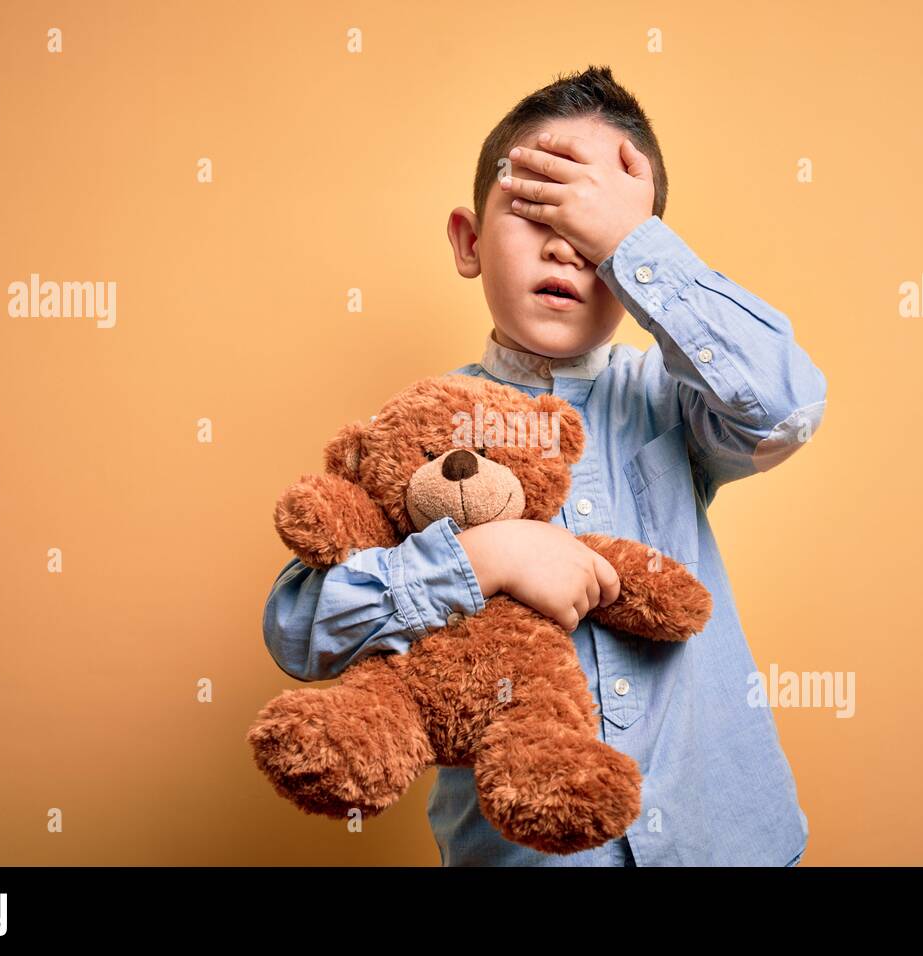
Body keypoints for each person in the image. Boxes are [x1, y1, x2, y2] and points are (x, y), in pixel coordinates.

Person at [262, 65, 825, 866]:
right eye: (535, 210)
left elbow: (787, 405)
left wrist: (640, 248)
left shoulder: (670, 401)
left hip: (729, 841)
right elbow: (296, 630)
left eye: (596, 229)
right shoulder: (416, 436)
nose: (567, 244)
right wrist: (479, 559)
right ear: (468, 240)